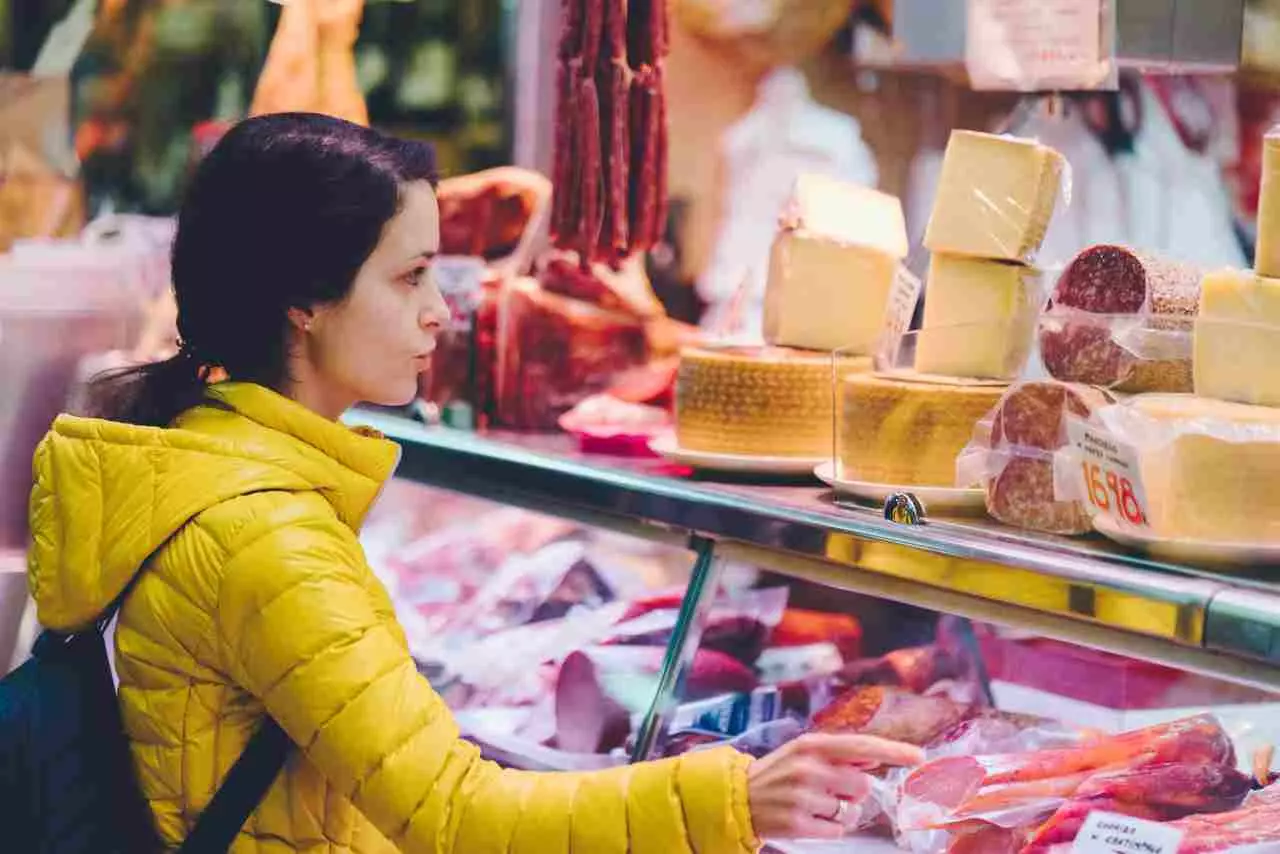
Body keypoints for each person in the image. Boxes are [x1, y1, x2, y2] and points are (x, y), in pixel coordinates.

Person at [26, 112, 923, 853]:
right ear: (304, 301)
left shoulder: (195, 450)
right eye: (411, 275)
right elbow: (459, 817)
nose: (440, 311)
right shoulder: (269, 540)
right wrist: (734, 798)